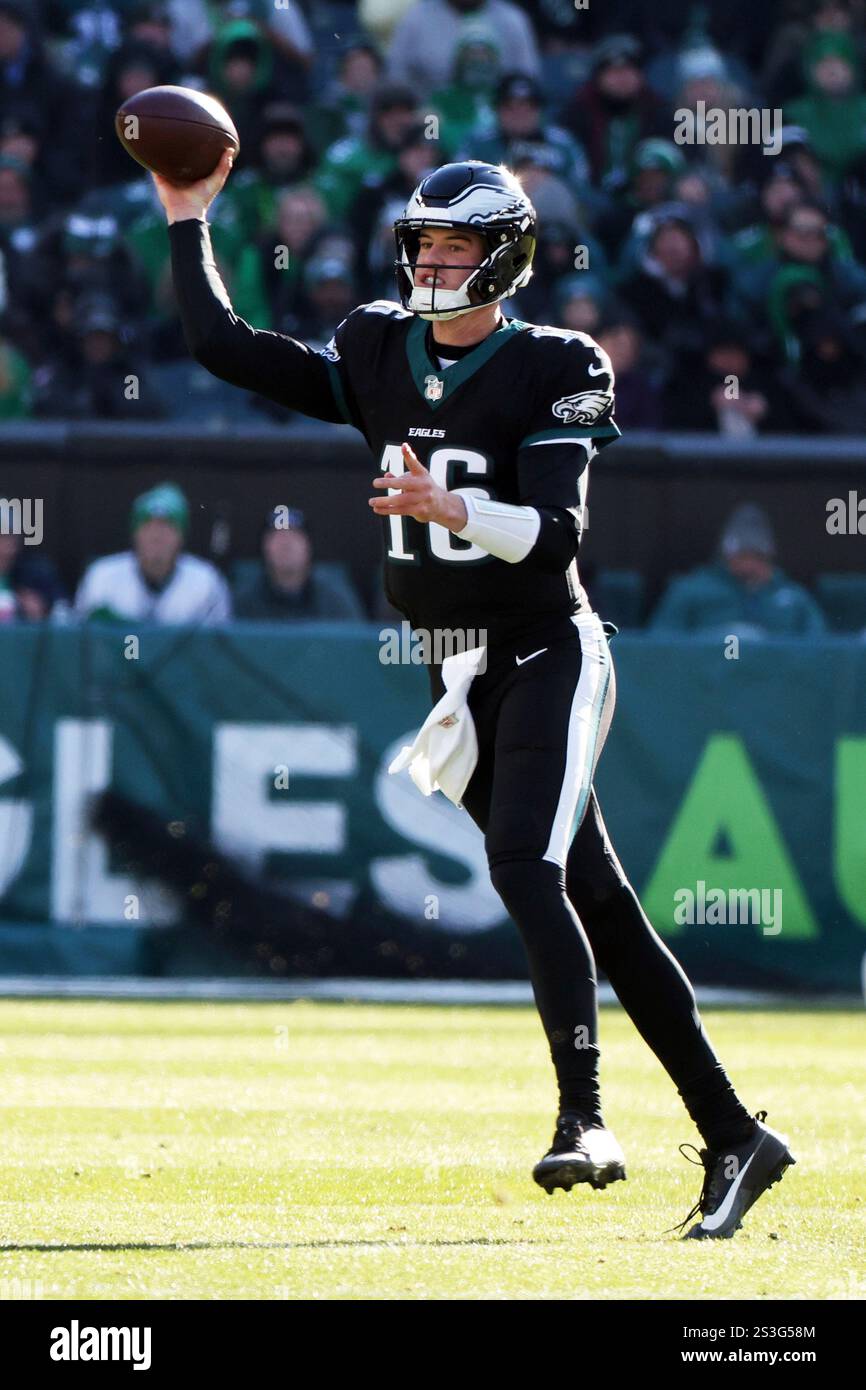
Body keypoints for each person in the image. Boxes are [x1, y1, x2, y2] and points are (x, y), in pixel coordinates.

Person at [155, 151, 795, 1239]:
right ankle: (735, 1135)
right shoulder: (374, 345)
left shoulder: (554, 360)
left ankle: (583, 1118)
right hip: (457, 667)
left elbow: (555, 536)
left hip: (550, 644)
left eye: (453, 244)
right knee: (601, 909)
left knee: (521, 867)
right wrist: (186, 215)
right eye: (423, 242)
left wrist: (450, 516)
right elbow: (223, 345)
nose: (432, 259)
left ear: (502, 254)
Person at [651, 504, 826, 639]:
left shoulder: (793, 597)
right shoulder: (690, 590)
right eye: (742, 556)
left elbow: (821, 646)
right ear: (725, 557)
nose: (749, 565)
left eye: (757, 557)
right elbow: (662, 645)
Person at [75, 482, 231, 624]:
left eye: (166, 527)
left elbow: (216, 649)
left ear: (182, 537)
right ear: (135, 533)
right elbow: (81, 643)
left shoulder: (206, 581)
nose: (156, 536)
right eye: (148, 526)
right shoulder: (102, 577)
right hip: (121, 655)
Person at [232, 508, 366, 621]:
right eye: (278, 536)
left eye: (294, 535)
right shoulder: (245, 601)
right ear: (265, 546)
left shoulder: (335, 600)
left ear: (308, 546)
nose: (286, 544)